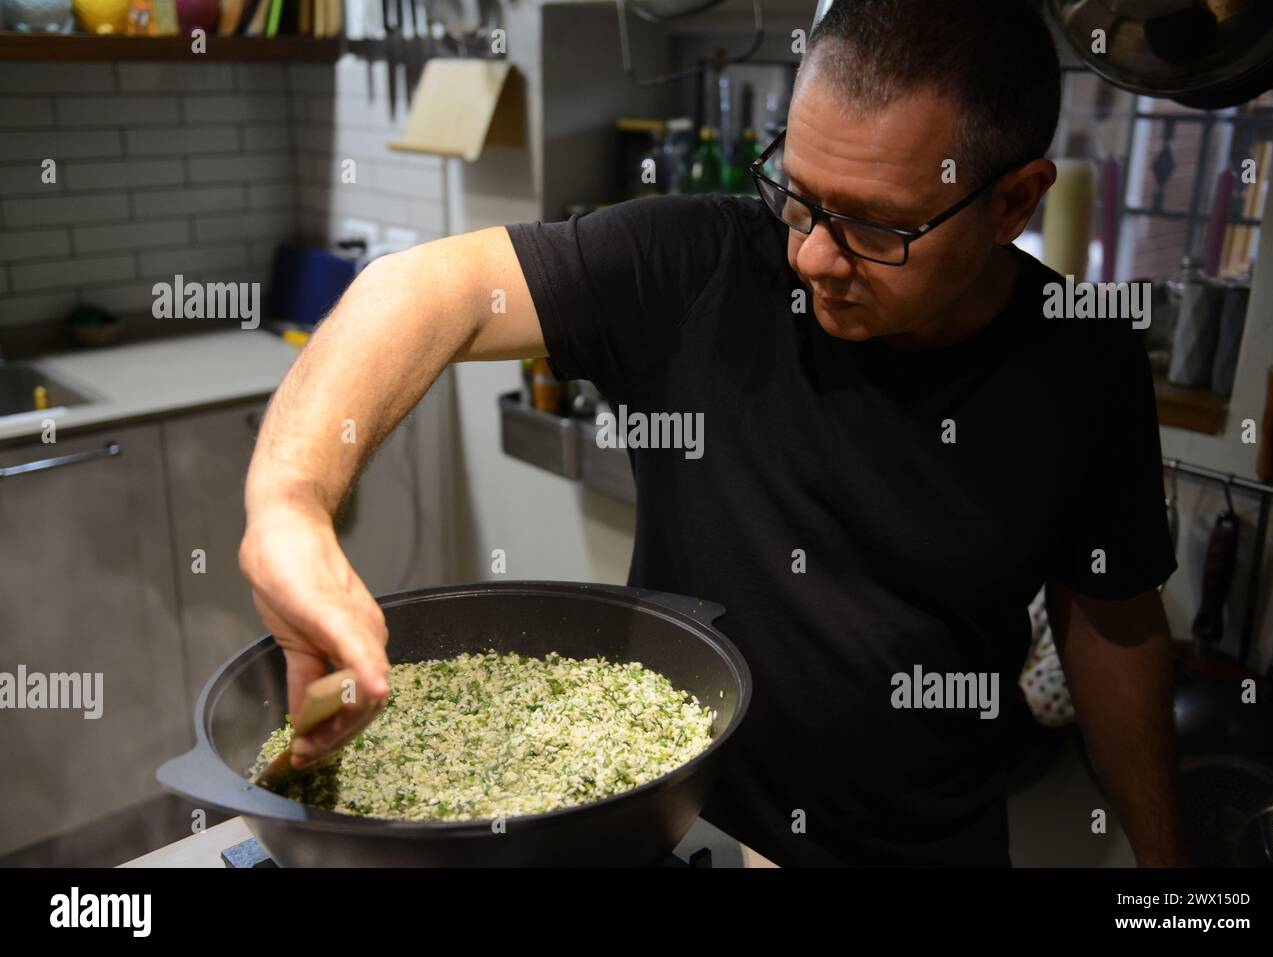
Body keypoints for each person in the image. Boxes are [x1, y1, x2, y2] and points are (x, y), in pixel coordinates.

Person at [240, 0, 1184, 866]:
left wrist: (1166, 864)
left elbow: (1111, 622)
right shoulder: (697, 265)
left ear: (1014, 204)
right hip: (679, 830)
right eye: (800, 195)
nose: (813, 255)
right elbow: (421, 290)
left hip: (929, 847)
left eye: (874, 227)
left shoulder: (1084, 357)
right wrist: (288, 502)